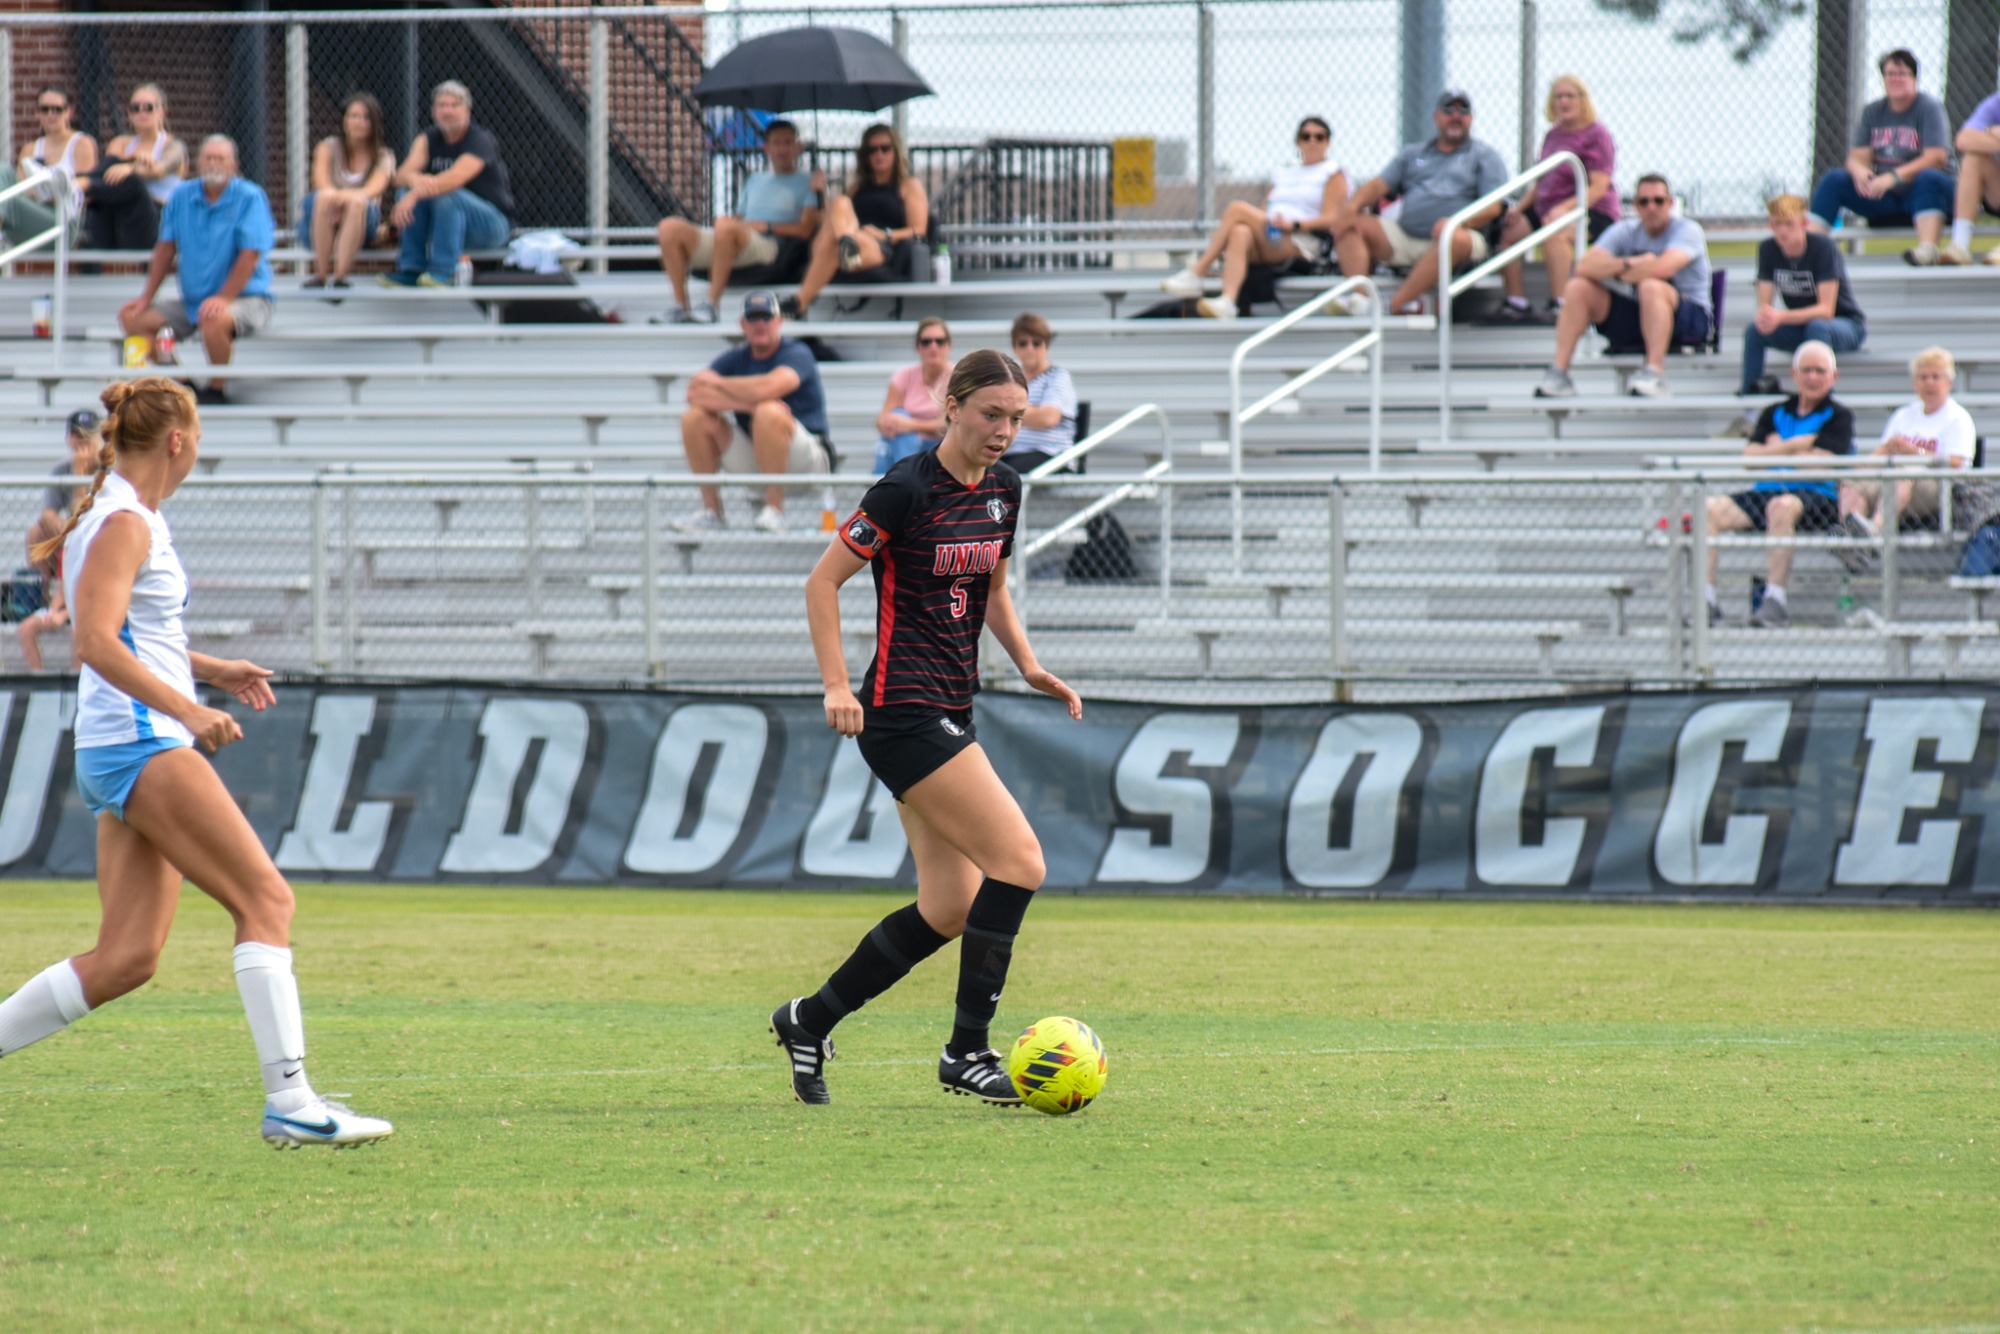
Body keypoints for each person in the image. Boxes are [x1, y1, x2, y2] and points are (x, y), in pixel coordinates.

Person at [0, 378, 392, 1149]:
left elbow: (131, 634)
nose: (198, 451)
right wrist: (188, 708)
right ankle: (291, 1102)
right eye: (199, 439)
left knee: (126, 958)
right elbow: (94, 643)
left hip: (118, 745)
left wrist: (211, 670)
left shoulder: (123, 514)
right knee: (266, 901)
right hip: (142, 743)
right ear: (176, 440)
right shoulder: (124, 521)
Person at [771, 348, 1083, 1106]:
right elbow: (822, 582)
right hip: (901, 711)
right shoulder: (904, 489)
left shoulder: (1005, 490)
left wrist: (1030, 665)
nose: (1004, 430)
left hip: (951, 706)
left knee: (949, 906)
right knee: (1021, 862)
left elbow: (994, 590)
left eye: (1016, 418)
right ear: (951, 407)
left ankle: (809, 1020)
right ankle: (966, 1052)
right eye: (991, 414)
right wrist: (836, 684)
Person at [1703, 341, 1855, 629]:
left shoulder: (1839, 416)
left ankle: (1775, 601)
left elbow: (1820, 466)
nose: (1812, 377)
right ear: (1794, 374)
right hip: (1767, 491)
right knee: (1709, 509)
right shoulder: (1775, 411)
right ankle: (1706, 601)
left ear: (1833, 376)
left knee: (1781, 507)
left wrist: (1774, 450)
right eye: (1806, 370)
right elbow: (1750, 459)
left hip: (1816, 496)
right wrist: (1797, 445)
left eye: (1820, 371)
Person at [118, 135, 275, 406]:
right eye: (208, 158)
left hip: (245, 298)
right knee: (132, 319)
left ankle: (216, 390)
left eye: (221, 159)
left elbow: (250, 256)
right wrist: (146, 297)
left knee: (213, 317)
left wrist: (223, 298)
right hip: (194, 300)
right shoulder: (181, 195)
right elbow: (165, 249)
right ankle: (184, 385)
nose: (214, 164)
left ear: (234, 165)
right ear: (198, 162)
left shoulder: (250, 197)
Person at [1331, 89, 1510, 317]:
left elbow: (1494, 206)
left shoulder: (1485, 156)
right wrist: (1350, 208)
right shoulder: (1413, 153)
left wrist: (1457, 222)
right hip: (1406, 236)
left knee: (1454, 238)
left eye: (1463, 110)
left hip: (1459, 237)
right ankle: (1360, 301)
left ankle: (1391, 306)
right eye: (1449, 109)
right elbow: (1378, 185)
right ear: (1436, 116)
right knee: (1352, 223)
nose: (1456, 116)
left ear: (1471, 118)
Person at [1535, 172, 1712, 399]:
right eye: (1644, 202)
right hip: (1640, 314)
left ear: (1670, 203)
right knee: (1578, 288)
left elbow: (1662, 269)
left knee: (1651, 286)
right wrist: (1630, 264)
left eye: (1658, 201)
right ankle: (1559, 373)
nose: (1651, 207)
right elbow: (1584, 267)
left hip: (1690, 317)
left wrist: (1614, 272)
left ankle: (1653, 373)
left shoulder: (1687, 230)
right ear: (1635, 206)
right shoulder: (1625, 230)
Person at [1159, 115, 1348, 321]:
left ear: (1327, 142)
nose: (1312, 142)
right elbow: (1266, 209)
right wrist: (1269, 223)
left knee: (1236, 209)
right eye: (1306, 136)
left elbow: (1331, 218)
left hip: (1301, 241)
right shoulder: (1284, 173)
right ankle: (1228, 302)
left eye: (1319, 137)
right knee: (1240, 231)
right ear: (1298, 141)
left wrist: (1294, 225)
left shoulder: (1332, 173)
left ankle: (1198, 271)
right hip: (1273, 234)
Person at [676, 290, 831, 532]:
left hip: (806, 460)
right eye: (753, 317)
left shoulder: (797, 352)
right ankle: (711, 512)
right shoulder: (736, 357)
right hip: (758, 456)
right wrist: (748, 404)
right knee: (694, 418)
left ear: (779, 321)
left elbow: (769, 387)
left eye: (766, 316)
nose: (760, 324)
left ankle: (775, 510)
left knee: (769, 412)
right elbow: (694, 393)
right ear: (742, 324)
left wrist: (720, 385)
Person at [657, 118, 820, 322]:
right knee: (669, 228)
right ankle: (680, 307)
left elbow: (806, 229)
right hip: (737, 237)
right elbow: (739, 217)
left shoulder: (809, 181)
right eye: (777, 143)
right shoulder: (754, 180)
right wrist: (728, 222)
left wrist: (767, 226)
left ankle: (711, 305)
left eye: (788, 142)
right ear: (766, 148)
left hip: (770, 245)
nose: (782, 149)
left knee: (727, 229)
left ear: (798, 147)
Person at [1490, 74, 1618, 325]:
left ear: (1582, 100)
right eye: (1558, 97)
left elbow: (1599, 186)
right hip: (1547, 207)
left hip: (1590, 209)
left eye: (1570, 96)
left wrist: (1565, 208)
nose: (1563, 102)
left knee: (1555, 232)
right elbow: (1542, 180)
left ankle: (1561, 304)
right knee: (1509, 232)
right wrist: (1520, 208)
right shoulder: (1553, 135)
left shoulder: (1597, 134)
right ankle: (1516, 302)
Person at [1808, 49, 1952, 262]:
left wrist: (1893, 177)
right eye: (1890, 74)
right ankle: (1808, 250)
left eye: (1902, 74)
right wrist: (1860, 172)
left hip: (1928, 195)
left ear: (1915, 78)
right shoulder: (1873, 111)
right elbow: (1857, 157)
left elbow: (1936, 157)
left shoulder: (1929, 108)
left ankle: (1928, 250)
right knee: (1834, 179)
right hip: (1888, 196)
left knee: (1927, 178)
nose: (1896, 79)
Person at [1838, 347, 1979, 556]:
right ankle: (1850, 540)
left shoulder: (1958, 418)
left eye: (1935, 377)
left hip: (1939, 486)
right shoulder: (1903, 415)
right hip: (1895, 480)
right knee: (1852, 483)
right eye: (1923, 377)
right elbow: (1883, 452)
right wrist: (1865, 466)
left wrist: (1915, 452)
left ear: (1949, 383)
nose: (1929, 383)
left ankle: (1874, 531)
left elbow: (1957, 463)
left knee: (1902, 473)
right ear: (1915, 383)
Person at [380, 80, 514, 288]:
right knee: (405, 190)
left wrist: (415, 194)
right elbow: (401, 175)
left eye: (454, 105)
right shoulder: (428, 138)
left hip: (491, 226)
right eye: (442, 105)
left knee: (447, 195)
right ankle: (411, 270)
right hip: (445, 226)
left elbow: (454, 179)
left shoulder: (480, 140)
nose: (447, 111)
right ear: (434, 111)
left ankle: (444, 272)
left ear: (467, 110)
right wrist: (416, 181)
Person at [786, 124, 929, 319]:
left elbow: (919, 230)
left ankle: (800, 302)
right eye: (872, 150)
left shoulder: (909, 185)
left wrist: (885, 234)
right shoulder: (857, 188)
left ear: (895, 151)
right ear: (865, 155)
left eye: (885, 148)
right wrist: (820, 193)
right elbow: (830, 221)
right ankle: (846, 243)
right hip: (851, 237)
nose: (879, 154)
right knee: (840, 202)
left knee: (836, 245)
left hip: (879, 245)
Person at [1740, 193, 1866, 395]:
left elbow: (1826, 311)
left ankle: (1823, 399)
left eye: (1789, 224)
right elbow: (1765, 308)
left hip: (1845, 325)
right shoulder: (1768, 249)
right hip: (1803, 327)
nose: (1782, 231)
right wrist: (1766, 317)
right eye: (1777, 224)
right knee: (1754, 331)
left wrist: (1780, 316)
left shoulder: (1823, 247)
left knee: (1818, 327)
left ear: (1804, 223)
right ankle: (1750, 397)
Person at [17, 409, 101, 671]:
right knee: (37, 532)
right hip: (69, 550)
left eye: (87, 436)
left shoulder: (107, 472)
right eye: (76, 436)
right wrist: (63, 529)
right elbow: (48, 514)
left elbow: (86, 519)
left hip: (97, 552)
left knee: (79, 631)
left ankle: (77, 680)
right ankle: (41, 600)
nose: (81, 442)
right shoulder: (61, 470)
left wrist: (79, 475)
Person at [299, 93, 394, 292]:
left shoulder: (384, 155)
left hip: (362, 222)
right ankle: (320, 275)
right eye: (353, 116)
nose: (358, 122)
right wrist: (337, 200)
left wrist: (343, 200)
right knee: (324, 197)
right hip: (325, 215)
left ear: (374, 124)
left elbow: (373, 189)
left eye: (365, 118)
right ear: (344, 120)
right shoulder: (327, 147)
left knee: (357, 203)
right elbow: (321, 182)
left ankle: (340, 278)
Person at [82, 83, 187, 252]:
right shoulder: (121, 143)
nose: (142, 113)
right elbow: (107, 175)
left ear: (162, 111)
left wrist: (132, 168)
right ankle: (94, 261)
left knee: (133, 183)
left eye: (148, 108)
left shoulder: (173, 146)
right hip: (122, 219)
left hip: (159, 221)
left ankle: (81, 183)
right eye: (135, 108)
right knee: (110, 172)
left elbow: (159, 170)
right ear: (129, 114)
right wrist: (129, 159)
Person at [0, 86, 96, 248]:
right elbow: (22, 189)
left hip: (63, 220)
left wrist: (50, 192)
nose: (51, 115)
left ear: (69, 112)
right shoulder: (30, 148)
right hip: (30, 215)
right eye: (44, 110)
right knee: (3, 171)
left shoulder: (81, 143)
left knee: (8, 199)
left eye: (57, 110)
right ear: (37, 113)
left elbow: (86, 193)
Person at [1001, 312, 1079, 472]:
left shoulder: (1058, 376)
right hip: (1009, 453)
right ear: (1015, 347)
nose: (1030, 349)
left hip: (1051, 456)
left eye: (1036, 343)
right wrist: (1029, 412)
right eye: (1023, 343)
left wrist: (1006, 412)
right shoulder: (1009, 378)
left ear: (1046, 346)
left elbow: (1048, 418)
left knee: (1004, 474)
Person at [875, 317, 953, 472]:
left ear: (948, 346)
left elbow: (948, 425)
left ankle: (893, 480)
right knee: (895, 425)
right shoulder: (904, 375)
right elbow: (882, 419)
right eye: (926, 342)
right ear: (918, 347)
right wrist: (892, 423)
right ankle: (902, 477)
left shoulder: (956, 376)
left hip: (942, 447)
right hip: (905, 444)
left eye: (939, 341)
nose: (933, 347)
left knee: (895, 438)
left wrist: (910, 425)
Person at [1937, 89, 2000, 266]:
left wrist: (1990, 133)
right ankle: (1960, 246)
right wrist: (1990, 131)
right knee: (1973, 159)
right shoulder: (1996, 103)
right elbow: (1963, 140)